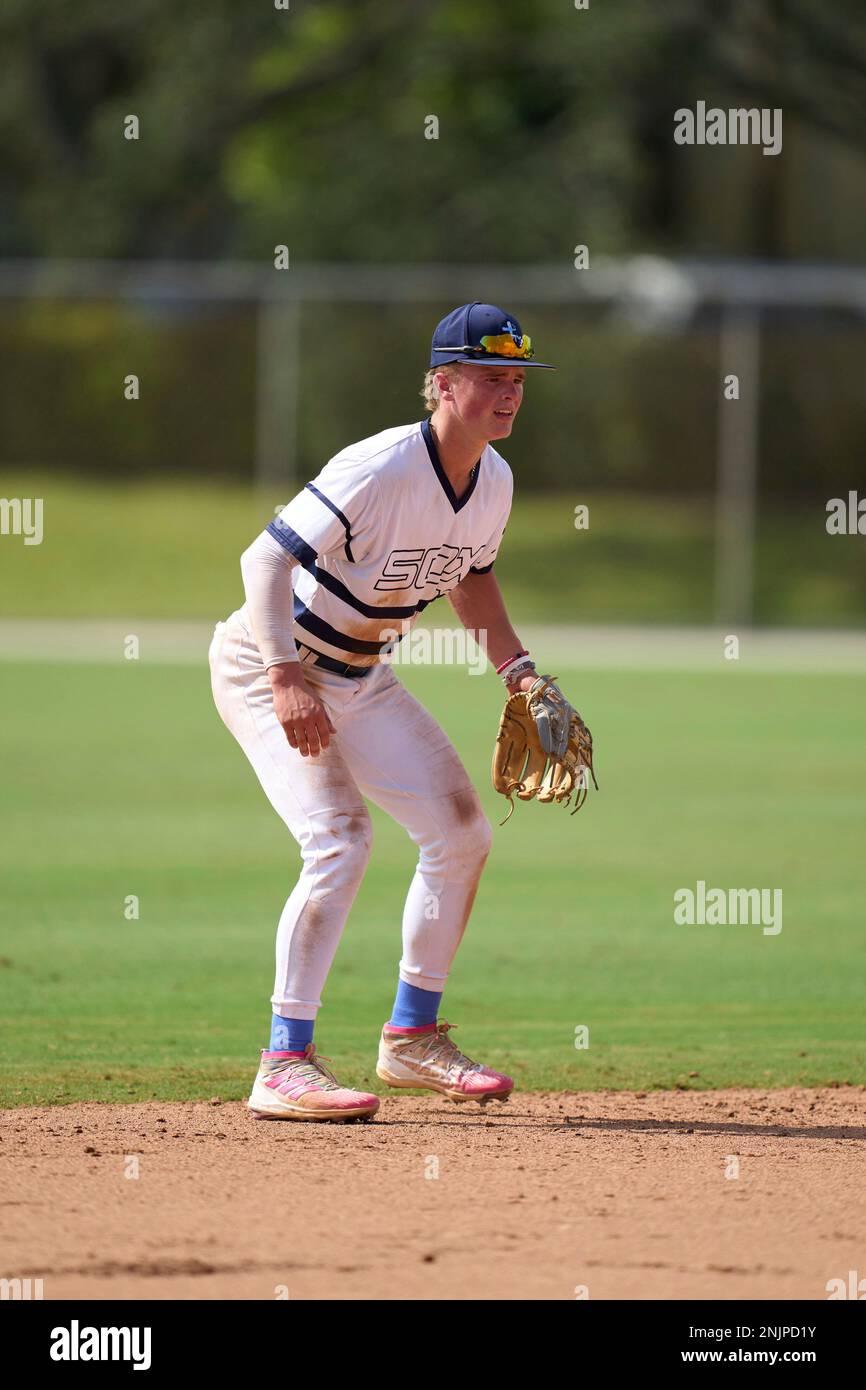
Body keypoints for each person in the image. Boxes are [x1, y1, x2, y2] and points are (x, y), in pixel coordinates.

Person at [208, 302, 555, 1122]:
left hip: (361, 676)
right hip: (269, 666)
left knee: (462, 832)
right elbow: (263, 559)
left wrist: (521, 673)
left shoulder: (494, 482)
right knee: (341, 841)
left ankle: (412, 1039)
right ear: (441, 383)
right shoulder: (380, 466)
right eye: (489, 376)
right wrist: (285, 674)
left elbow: (472, 580)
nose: (508, 393)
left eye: (516, 380)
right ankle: (282, 1062)